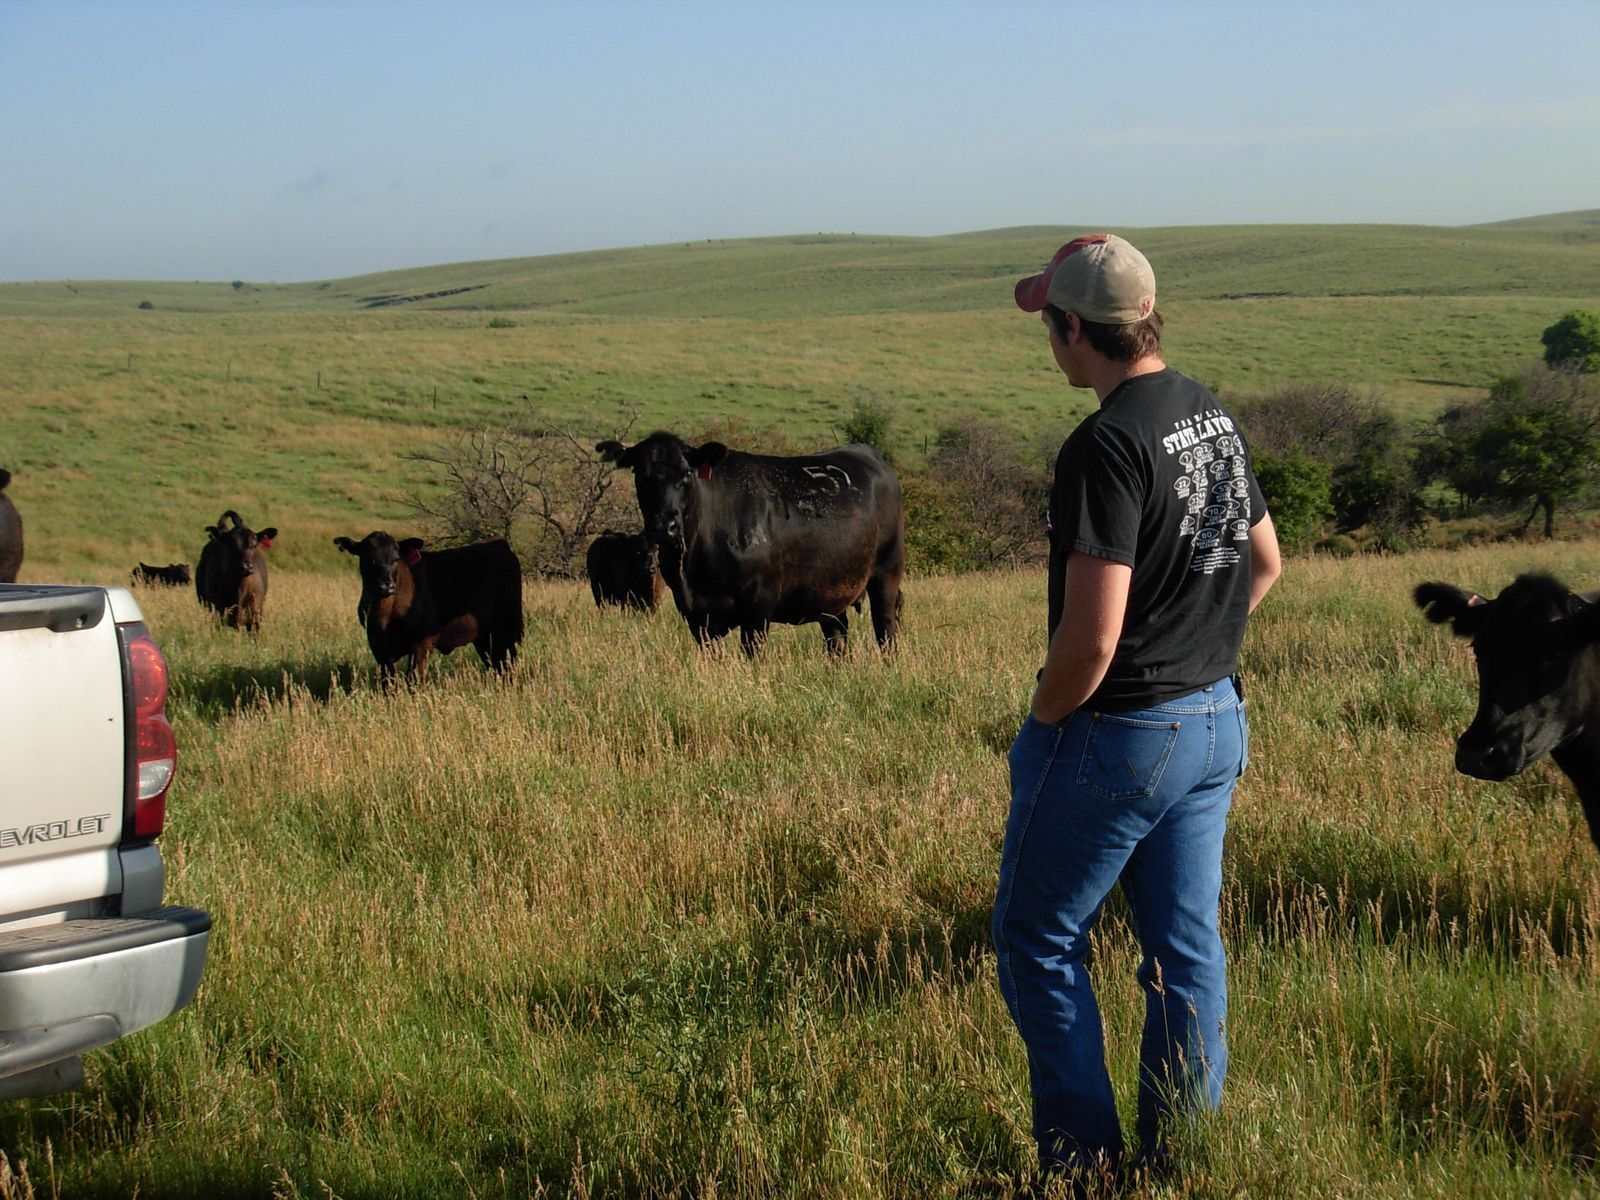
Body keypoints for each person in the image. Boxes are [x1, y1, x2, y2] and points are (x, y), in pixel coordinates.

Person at [991, 234, 1281, 1187]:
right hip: (1216, 720)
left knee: (1039, 941)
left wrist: (1041, 726)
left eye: (1050, 325)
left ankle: (1082, 1167)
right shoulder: (1210, 414)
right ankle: (1181, 1157)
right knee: (1185, 949)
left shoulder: (1104, 445)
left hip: (1122, 733)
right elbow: (1266, 562)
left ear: (1077, 329)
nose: (1049, 342)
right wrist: (1194, 639)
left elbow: (1092, 641)